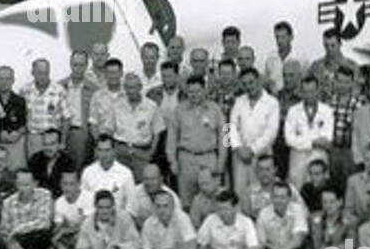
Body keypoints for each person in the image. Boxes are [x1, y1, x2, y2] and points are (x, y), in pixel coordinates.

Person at [165, 74, 226, 207]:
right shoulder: (179, 110)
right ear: (186, 92)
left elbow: (225, 135)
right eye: (191, 92)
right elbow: (172, 138)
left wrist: (221, 161)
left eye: (198, 91)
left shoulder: (215, 109)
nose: (194, 95)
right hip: (186, 160)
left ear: (204, 91)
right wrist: (172, 161)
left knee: (212, 199)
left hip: (209, 159)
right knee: (186, 201)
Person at [0, 169, 55, 249]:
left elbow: (44, 222)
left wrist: (18, 228)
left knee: (39, 234)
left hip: (37, 237)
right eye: (20, 184)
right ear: (15, 183)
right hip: (18, 242)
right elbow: (4, 232)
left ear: (35, 183)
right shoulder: (8, 202)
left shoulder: (45, 195)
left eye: (27, 184)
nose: (23, 188)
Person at [228, 67, 280, 200]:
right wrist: (238, 147)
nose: (248, 86)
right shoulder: (239, 101)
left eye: (251, 82)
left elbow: (271, 132)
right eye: (244, 84)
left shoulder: (272, 103)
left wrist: (252, 150)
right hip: (240, 155)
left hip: (261, 156)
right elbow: (231, 126)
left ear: (259, 81)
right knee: (239, 192)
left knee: (261, 194)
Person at [284, 73, 335, 189]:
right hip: (298, 161)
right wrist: (313, 142)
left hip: (318, 158)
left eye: (312, 91)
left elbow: (327, 139)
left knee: (319, 193)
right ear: (301, 92)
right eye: (305, 92)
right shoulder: (293, 111)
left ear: (318, 90)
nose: (309, 95)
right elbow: (289, 139)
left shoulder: (327, 111)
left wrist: (301, 139)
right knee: (297, 194)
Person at [112, 71, 162, 175]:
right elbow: (109, 129)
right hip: (121, 153)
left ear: (140, 87)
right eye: (128, 87)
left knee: (141, 186)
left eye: (134, 87)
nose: (131, 91)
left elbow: (158, 132)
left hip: (142, 153)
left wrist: (151, 153)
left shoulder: (151, 106)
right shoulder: (116, 106)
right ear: (124, 88)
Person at [23, 57, 70, 160]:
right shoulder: (25, 91)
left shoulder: (59, 90)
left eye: (46, 73)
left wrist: (62, 142)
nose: (43, 76)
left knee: (52, 169)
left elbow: (66, 118)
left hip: (53, 138)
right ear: (33, 72)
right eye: (40, 73)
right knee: (35, 168)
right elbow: (22, 117)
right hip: (34, 138)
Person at [80, 133, 136, 214]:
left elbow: (131, 206)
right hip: (93, 219)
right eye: (100, 150)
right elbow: (83, 203)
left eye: (107, 150)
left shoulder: (126, 173)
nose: (104, 155)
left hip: (118, 220)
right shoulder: (88, 172)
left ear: (114, 150)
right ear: (96, 151)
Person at [326, 64, 361, 189]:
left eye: (346, 82)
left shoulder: (357, 104)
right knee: (333, 182)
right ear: (334, 82)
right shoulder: (329, 103)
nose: (343, 85)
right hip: (332, 149)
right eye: (340, 81)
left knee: (348, 183)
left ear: (352, 83)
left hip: (349, 151)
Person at [62, 49, 95, 168]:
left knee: (78, 168)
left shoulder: (93, 89)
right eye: (75, 64)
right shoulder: (60, 86)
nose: (78, 68)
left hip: (82, 134)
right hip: (62, 132)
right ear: (70, 64)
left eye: (81, 65)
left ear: (86, 66)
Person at [52, 170, 92, 249]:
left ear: (78, 184)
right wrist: (59, 243)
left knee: (80, 238)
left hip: (90, 235)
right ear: (60, 185)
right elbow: (58, 227)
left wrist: (64, 231)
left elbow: (86, 225)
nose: (68, 188)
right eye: (65, 184)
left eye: (71, 184)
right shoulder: (59, 202)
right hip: (70, 235)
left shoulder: (88, 197)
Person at [0, 66, 28, 173]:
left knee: (15, 172)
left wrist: (18, 133)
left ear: (13, 80)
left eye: (7, 79)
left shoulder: (20, 100)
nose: (4, 82)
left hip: (15, 143)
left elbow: (25, 123)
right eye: (1, 78)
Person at [273, 59, 304, 179]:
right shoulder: (276, 97)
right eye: (284, 75)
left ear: (299, 76)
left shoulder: (304, 98)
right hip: (278, 148)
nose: (287, 79)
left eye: (291, 75)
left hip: (296, 149)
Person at [127, 163, 182, 228]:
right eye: (146, 179)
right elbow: (130, 216)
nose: (149, 182)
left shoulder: (172, 197)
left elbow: (178, 222)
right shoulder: (135, 192)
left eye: (153, 179)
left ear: (161, 179)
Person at [29, 126, 76, 197]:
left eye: (52, 144)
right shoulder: (35, 159)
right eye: (45, 144)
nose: (48, 148)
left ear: (59, 145)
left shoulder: (68, 162)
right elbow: (31, 184)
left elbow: (68, 187)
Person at [88, 57, 125, 142]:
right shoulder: (97, 96)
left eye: (115, 72)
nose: (113, 76)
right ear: (105, 74)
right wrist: (98, 142)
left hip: (124, 142)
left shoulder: (129, 94)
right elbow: (93, 122)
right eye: (109, 73)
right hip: (103, 142)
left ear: (121, 73)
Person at [312, 28, 353, 102]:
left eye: (333, 45)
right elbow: (305, 89)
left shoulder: (352, 67)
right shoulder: (316, 66)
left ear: (340, 44)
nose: (329, 49)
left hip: (345, 108)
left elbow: (356, 92)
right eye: (326, 45)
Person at [239, 154, 279, 221]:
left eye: (268, 169)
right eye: (261, 169)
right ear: (256, 171)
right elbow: (244, 219)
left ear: (275, 169)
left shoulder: (287, 189)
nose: (264, 173)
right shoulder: (248, 192)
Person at [263, 21, 298, 96]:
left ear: (291, 37)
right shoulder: (270, 58)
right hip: (274, 98)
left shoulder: (300, 58)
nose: (279, 41)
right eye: (277, 37)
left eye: (283, 37)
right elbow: (267, 81)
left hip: (294, 98)